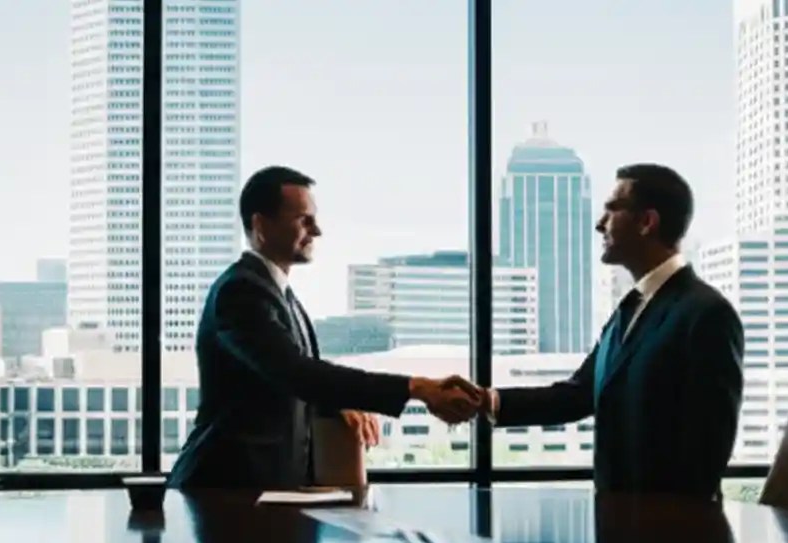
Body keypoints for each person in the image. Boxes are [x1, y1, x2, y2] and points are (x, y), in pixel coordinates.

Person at [169, 166, 481, 490]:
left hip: (260, 492)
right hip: (225, 491)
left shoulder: (279, 294)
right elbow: (297, 373)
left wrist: (337, 403)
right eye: (304, 219)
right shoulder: (241, 292)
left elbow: (285, 379)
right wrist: (416, 387)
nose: (316, 231)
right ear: (261, 225)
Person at [479, 164, 744, 499]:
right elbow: (578, 394)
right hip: (619, 526)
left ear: (647, 222)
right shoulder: (628, 309)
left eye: (612, 209)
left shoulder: (706, 313)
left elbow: (708, 446)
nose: (599, 224)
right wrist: (484, 401)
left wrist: (674, 533)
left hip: (671, 535)